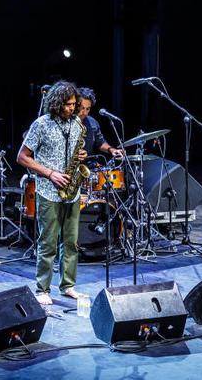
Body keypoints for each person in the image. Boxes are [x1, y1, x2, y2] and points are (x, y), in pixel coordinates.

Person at [17, 81, 87, 305]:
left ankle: (68, 285)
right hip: (49, 190)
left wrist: (81, 157)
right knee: (47, 243)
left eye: (74, 104)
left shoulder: (76, 123)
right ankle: (42, 289)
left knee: (71, 242)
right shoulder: (41, 124)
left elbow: (75, 150)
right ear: (57, 104)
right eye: (67, 104)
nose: (71, 108)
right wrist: (50, 173)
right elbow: (22, 157)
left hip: (71, 191)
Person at [77, 87, 124, 160]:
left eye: (88, 109)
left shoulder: (92, 122)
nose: (85, 113)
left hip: (88, 165)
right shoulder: (67, 122)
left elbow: (100, 143)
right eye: (82, 108)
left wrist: (111, 150)